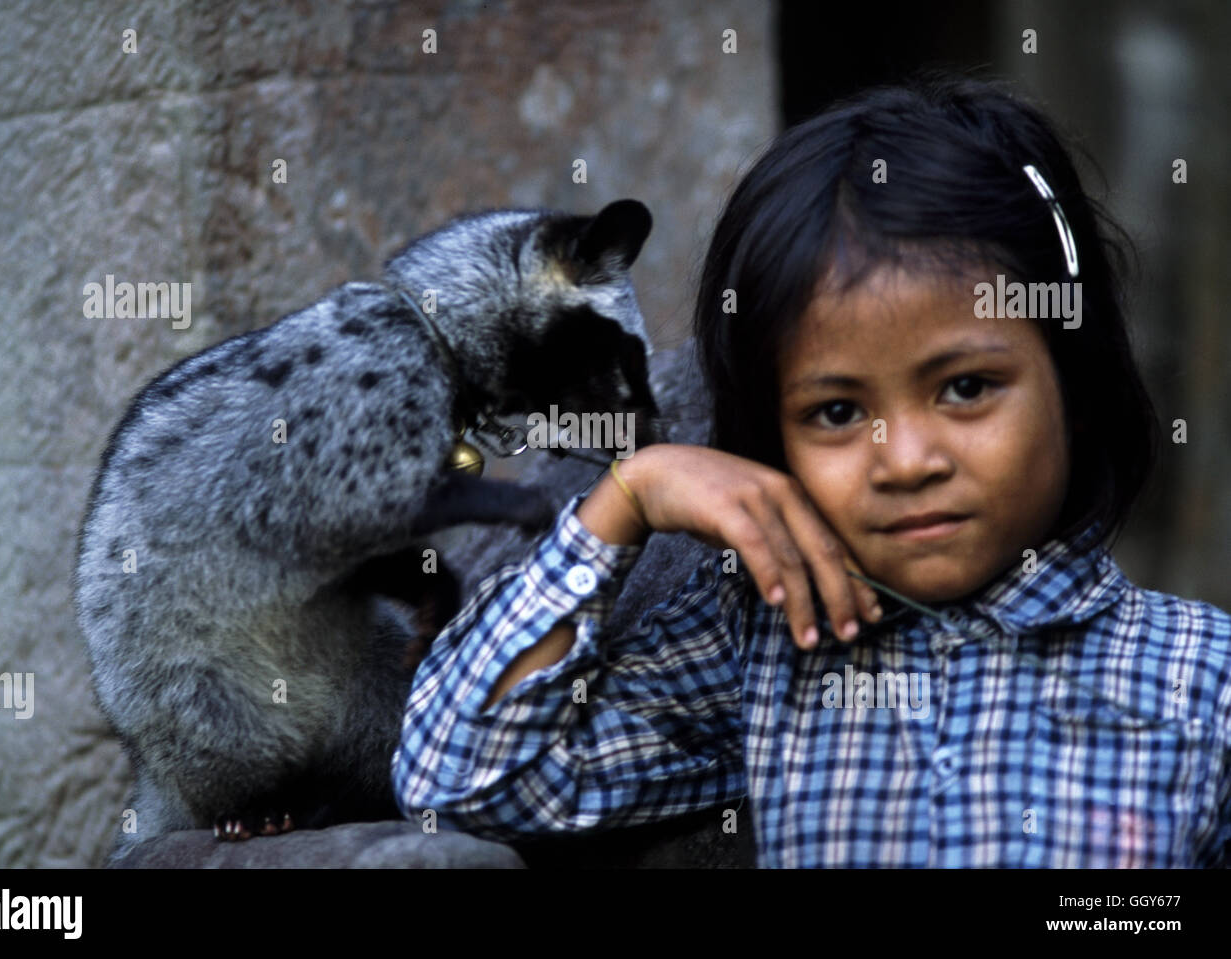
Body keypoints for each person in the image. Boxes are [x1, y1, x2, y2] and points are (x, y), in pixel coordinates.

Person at [390, 75, 1231, 868]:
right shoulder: (763, 655)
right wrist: (626, 500)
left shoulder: (1201, 675)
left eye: (967, 388)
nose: (905, 461)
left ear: (1075, 384)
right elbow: (463, 778)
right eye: (835, 412)